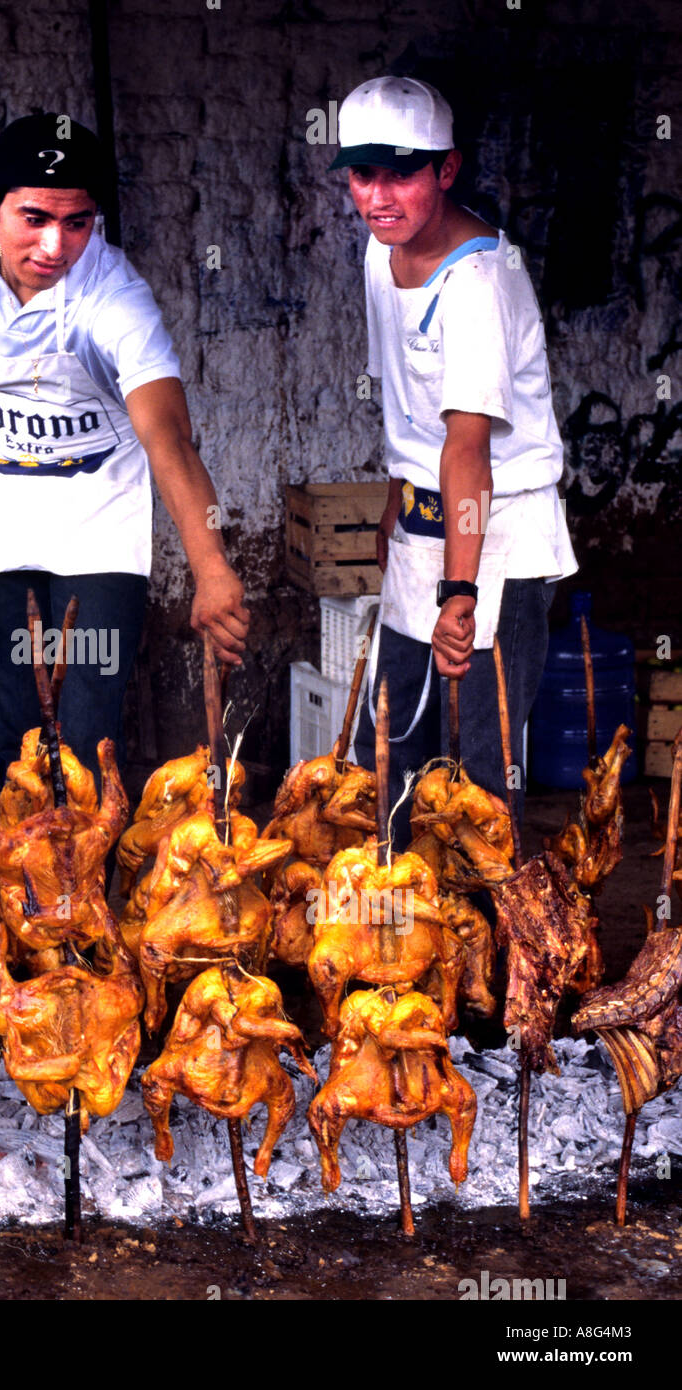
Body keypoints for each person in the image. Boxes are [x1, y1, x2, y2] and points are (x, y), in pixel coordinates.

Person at [0, 113, 247, 778]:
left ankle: (83, 882)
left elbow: (168, 438)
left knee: (87, 739)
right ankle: (24, 884)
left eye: (78, 222)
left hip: (98, 530)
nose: (55, 245)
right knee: (15, 738)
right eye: (33, 217)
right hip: (2, 522)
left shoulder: (115, 298)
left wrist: (210, 566)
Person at [329, 76, 577, 836]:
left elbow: (468, 451)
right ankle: (399, 932)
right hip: (425, 523)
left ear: (446, 168)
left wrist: (459, 592)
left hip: (494, 536)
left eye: (401, 173)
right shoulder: (383, 253)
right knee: (393, 747)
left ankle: (486, 939)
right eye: (362, 174)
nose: (378, 196)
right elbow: (408, 409)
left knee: (475, 777)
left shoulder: (476, 282)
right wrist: (394, 506)